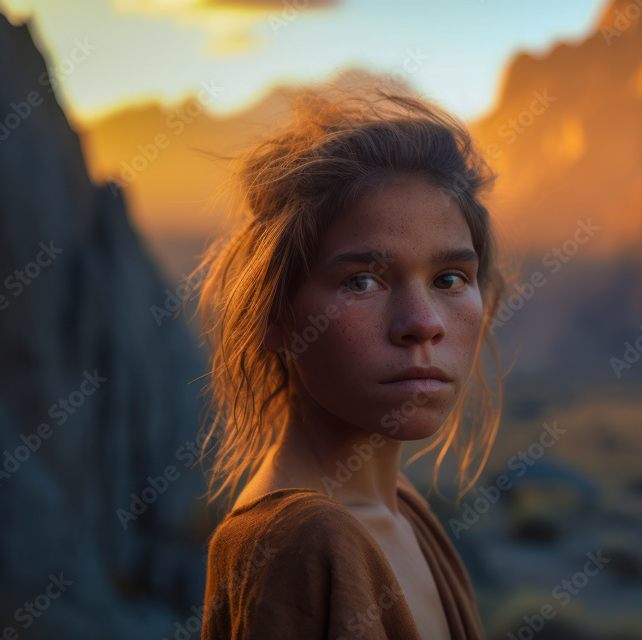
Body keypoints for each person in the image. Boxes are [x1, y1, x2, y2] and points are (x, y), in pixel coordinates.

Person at [191, 80, 510, 639]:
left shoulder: (402, 513)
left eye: (450, 279)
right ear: (272, 314)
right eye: (362, 280)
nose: (423, 323)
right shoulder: (298, 543)